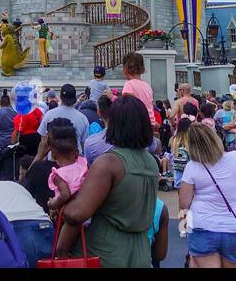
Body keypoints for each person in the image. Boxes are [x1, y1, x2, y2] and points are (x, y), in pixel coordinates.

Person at [54, 95, 157, 268]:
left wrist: (61, 205)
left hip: (104, 251)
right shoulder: (151, 162)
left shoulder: (109, 163)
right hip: (140, 251)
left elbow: (77, 213)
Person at [178, 122, 236, 268]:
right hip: (233, 228)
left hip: (202, 227)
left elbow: (183, 204)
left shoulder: (192, 166)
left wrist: (184, 227)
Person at [36, 83, 90, 157]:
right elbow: (84, 144)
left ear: (60, 97)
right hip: (74, 160)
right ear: (74, 98)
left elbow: (43, 141)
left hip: (54, 159)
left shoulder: (49, 114)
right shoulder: (83, 118)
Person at [46, 124, 88, 214]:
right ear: (76, 152)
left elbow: (65, 195)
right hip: (87, 208)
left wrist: (52, 204)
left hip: (71, 212)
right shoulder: (83, 164)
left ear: (53, 155)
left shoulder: (60, 174)